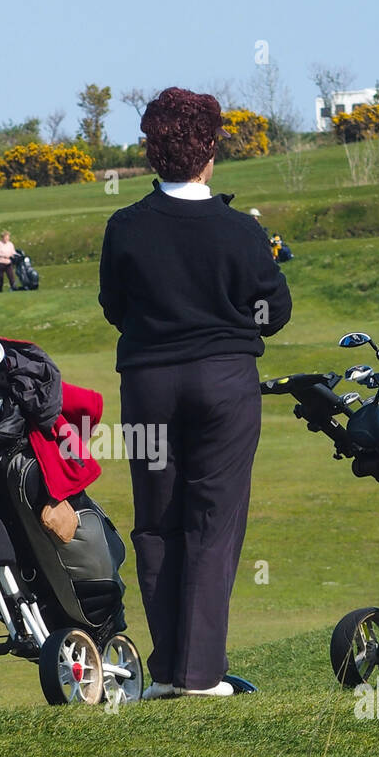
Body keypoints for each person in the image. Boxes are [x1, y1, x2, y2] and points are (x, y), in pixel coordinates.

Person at [99, 87, 292, 698]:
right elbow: (274, 311)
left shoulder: (125, 227)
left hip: (149, 383)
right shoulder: (239, 231)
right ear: (209, 150)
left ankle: (167, 673)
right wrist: (231, 322)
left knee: (156, 521)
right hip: (224, 383)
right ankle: (201, 675)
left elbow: (114, 307)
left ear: (153, 150)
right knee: (213, 522)